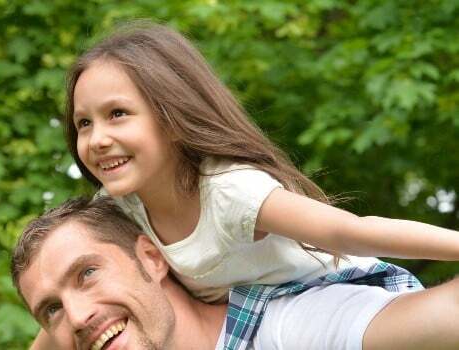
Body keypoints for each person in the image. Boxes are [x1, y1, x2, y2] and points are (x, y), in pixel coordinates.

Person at [64, 21, 459, 303]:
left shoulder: (230, 191)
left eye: (117, 114)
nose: (97, 139)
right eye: (84, 123)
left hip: (343, 297)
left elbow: (350, 232)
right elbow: (65, 296)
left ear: (172, 117)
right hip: (256, 323)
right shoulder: (117, 210)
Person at [11, 197, 459, 349]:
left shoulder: (286, 329)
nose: (77, 314)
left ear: (151, 257)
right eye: (50, 309)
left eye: (87, 273)